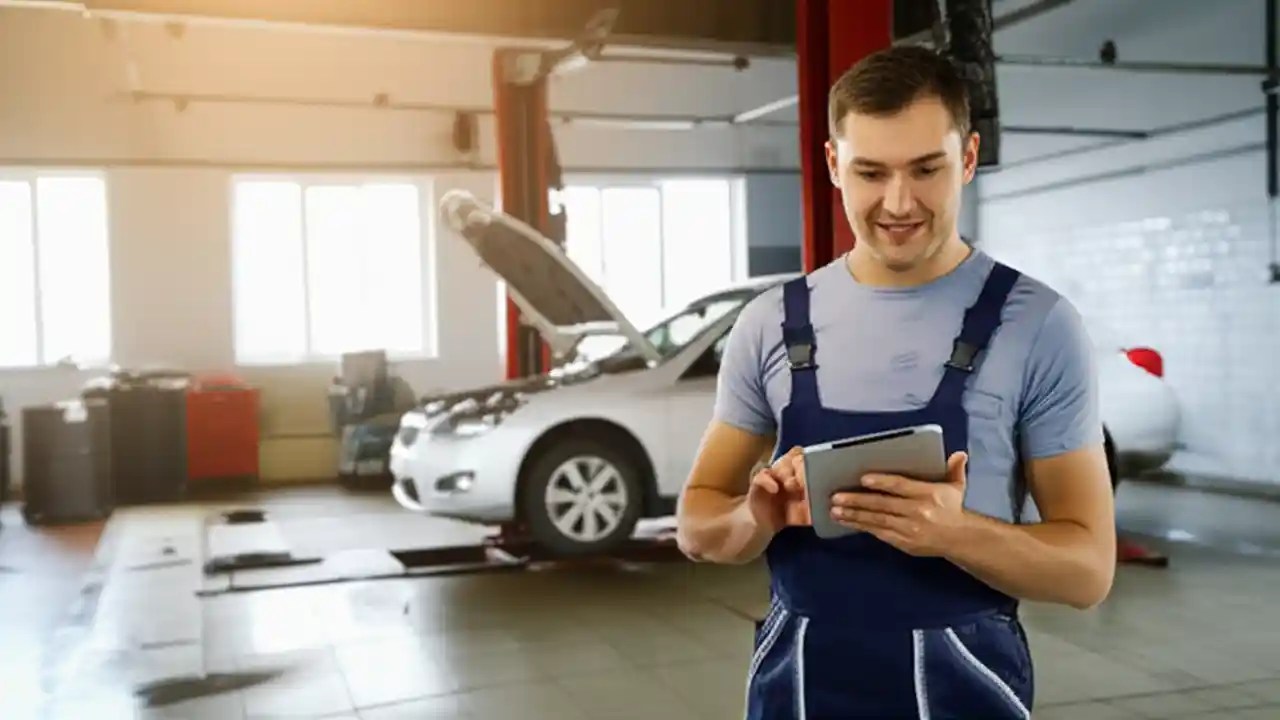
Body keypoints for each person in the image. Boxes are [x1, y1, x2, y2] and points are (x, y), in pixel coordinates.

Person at [675, 46, 1116, 719]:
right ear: (833, 165)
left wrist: (954, 533)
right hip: (798, 685)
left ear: (968, 158)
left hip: (964, 687)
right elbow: (696, 530)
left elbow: (1088, 571)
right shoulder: (771, 324)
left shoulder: (1039, 325)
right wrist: (755, 518)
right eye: (871, 172)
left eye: (926, 169)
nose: (899, 202)